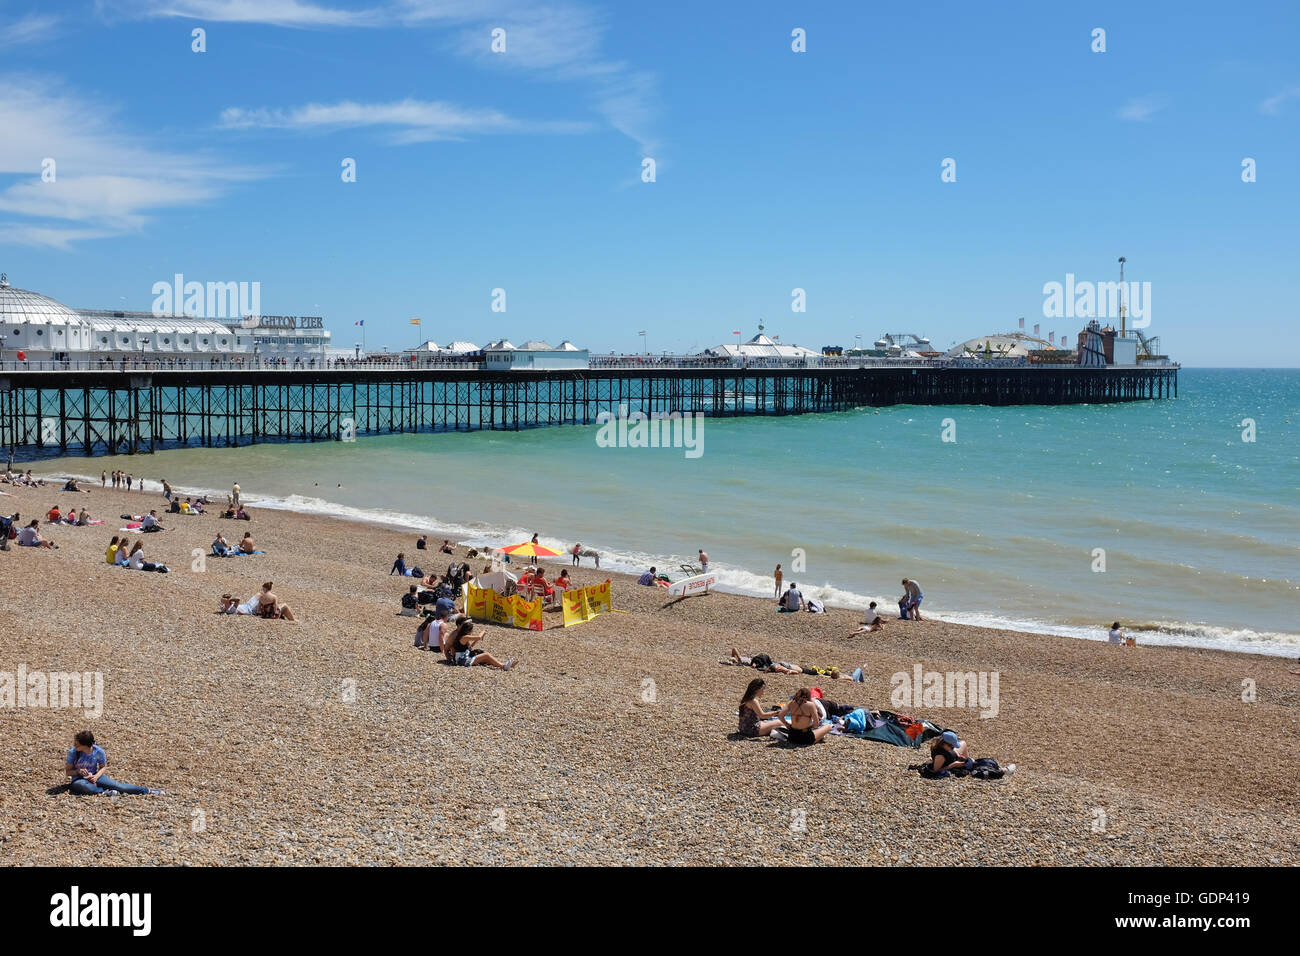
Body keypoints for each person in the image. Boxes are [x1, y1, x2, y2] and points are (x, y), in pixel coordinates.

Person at [65, 730, 163, 797]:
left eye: (77, 744)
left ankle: (147, 791)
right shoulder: (73, 752)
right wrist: (78, 771)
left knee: (119, 786)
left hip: (95, 776)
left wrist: (95, 777)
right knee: (82, 785)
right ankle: (103, 792)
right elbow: (68, 772)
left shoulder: (98, 752)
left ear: (85, 745)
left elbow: (103, 767)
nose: (74, 745)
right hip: (78, 779)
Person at [444, 617, 515, 670]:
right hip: (462, 660)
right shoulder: (463, 637)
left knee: (485, 657)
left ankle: (503, 665)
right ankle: (503, 666)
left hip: (463, 657)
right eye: (471, 630)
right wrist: (483, 631)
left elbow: (469, 648)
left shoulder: (461, 636)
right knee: (486, 655)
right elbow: (478, 637)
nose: (472, 632)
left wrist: (476, 641)